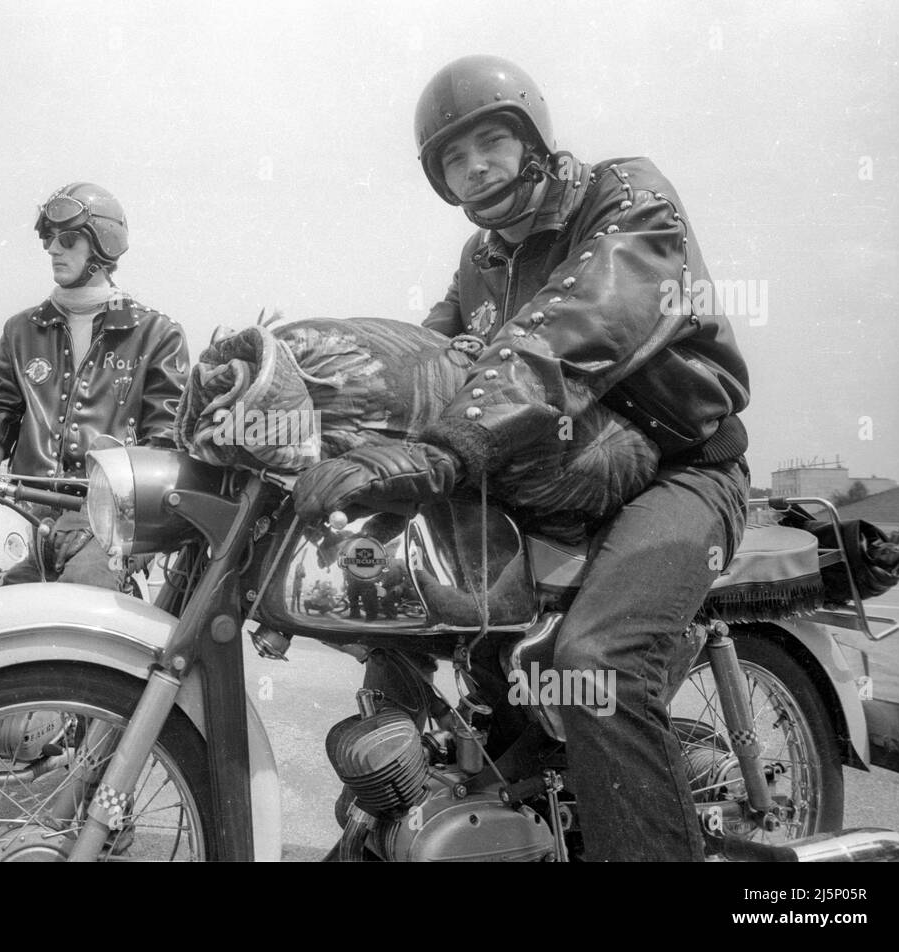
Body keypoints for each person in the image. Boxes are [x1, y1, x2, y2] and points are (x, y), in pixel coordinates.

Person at [295, 55, 751, 861]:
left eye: (492, 141)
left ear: (533, 136)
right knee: (421, 613)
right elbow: (424, 359)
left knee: (597, 663)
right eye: (454, 157)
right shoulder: (481, 261)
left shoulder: (626, 199)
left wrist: (446, 449)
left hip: (682, 471)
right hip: (559, 478)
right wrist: (314, 405)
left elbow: (575, 328)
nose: (476, 166)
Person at [0, 182, 188, 586]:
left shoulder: (157, 333)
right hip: (23, 511)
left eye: (67, 239)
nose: (52, 248)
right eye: (49, 238)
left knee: (77, 614)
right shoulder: (21, 330)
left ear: (102, 248)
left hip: (108, 519)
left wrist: (119, 527)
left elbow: (163, 445)